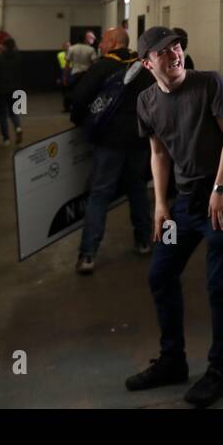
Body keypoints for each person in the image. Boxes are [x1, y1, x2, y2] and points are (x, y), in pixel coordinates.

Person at [125, 26, 223, 408]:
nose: (175, 54)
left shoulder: (210, 83)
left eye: (177, 46)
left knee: (218, 285)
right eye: (164, 52)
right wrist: (161, 203)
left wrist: (220, 188)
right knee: (160, 274)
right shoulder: (146, 102)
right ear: (148, 64)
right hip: (184, 203)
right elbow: (159, 154)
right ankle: (172, 361)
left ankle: (218, 372)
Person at [69, 26, 154, 273]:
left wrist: (80, 122)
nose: (102, 45)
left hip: (109, 142)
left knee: (100, 193)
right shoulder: (143, 67)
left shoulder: (104, 66)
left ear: (114, 41)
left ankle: (88, 254)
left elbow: (79, 97)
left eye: (105, 40)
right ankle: (143, 241)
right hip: (139, 140)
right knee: (137, 189)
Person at [0, 36, 24, 146]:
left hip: (1, 89)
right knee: (14, 113)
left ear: (4, 46)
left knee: (2, 115)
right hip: (16, 89)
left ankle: (6, 139)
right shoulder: (18, 57)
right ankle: (18, 127)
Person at [66, 30, 97, 95]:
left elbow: (67, 63)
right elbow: (95, 63)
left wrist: (66, 76)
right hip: (87, 73)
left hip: (75, 73)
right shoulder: (91, 49)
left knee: (74, 91)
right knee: (85, 92)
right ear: (85, 39)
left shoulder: (71, 48)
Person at [57, 41, 71, 111]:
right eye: (66, 46)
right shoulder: (60, 55)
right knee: (65, 92)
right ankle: (66, 107)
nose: (67, 47)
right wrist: (60, 77)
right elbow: (61, 66)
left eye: (68, 46)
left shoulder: (72, 54)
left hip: (72, 72)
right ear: (63, 47)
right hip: (64, 72)